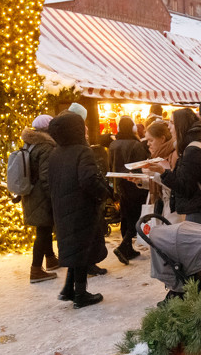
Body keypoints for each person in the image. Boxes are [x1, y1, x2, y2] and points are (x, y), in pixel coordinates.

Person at [47, 111, 108, 308]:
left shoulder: (55, 153)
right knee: (82, 250)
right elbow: (89, 179)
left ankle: (68, 289)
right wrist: (103, 193)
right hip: (82, 208)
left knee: (74, 248)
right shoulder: (83, 151)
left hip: (62, 207)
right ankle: (80, 294)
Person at [147, 110, 201, 227]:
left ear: (181, 125)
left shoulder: (192, 150)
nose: (169, 127)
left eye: (172, 123)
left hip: (197, 210)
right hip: (198, 209)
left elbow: (184, 186)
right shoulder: (194, 146)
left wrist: (162, 172)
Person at [21, 115, 59, 282]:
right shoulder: (46, 146)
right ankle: (36, 269)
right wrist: (53, 195)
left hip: (30, 192)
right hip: (41, 195)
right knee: (43, 231)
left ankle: (50, 259)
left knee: (44, 227)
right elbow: (46, 176)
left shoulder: (30, 143)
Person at [109, 116, 149, 264]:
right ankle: (124, 246)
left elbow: (110, 165)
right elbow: (141, 166)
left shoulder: (113, 144)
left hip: (119, 185)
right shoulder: (135, 145)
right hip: (134, 184)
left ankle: (127, 246)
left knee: (125, 215)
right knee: (135, 216)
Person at [145, 120, 175, 217]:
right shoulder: (157, 156)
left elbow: (174, 185)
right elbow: (155, 184)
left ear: (162, 139)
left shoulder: (172, 156)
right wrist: (139, 181)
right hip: (162, 208)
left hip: (172, 210)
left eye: (151, 140)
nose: (148, 144)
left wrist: (154, 173)